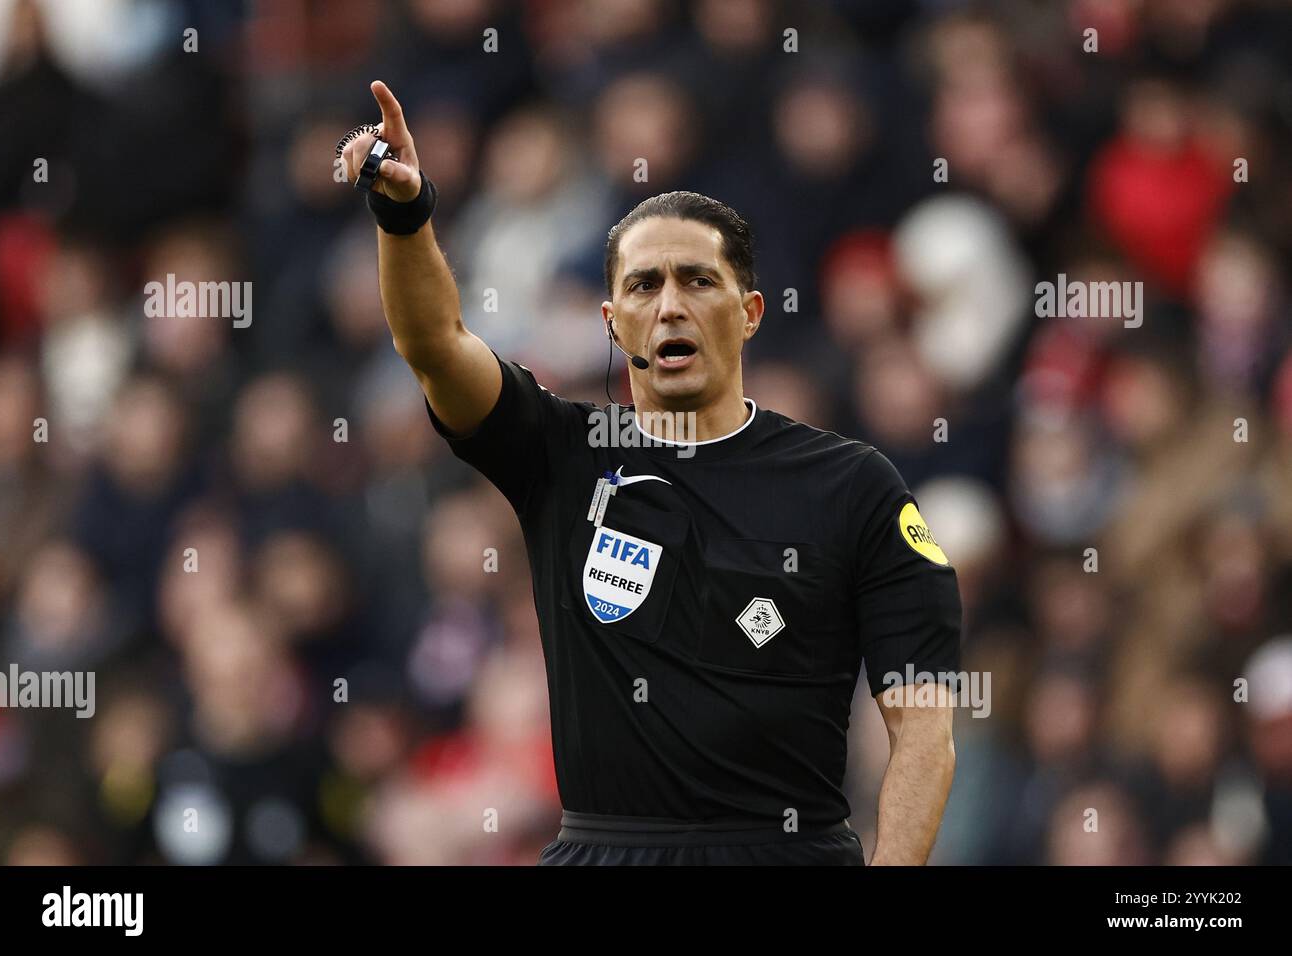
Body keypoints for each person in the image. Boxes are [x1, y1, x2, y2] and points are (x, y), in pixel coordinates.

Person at [340, 80, 962, 865]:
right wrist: (405, 215)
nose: (670, 306)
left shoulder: (853, 487)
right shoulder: (559, 454)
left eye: (698, 281)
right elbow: (434, 345)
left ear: (750, 313)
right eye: (643, 285)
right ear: (611, 321)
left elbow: (924, 727)